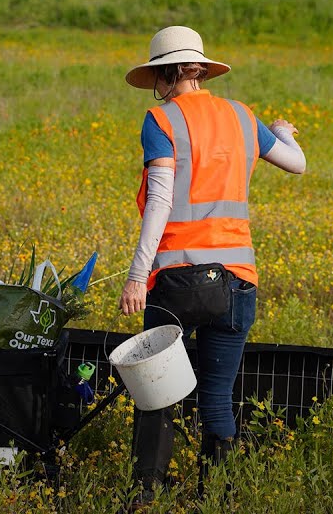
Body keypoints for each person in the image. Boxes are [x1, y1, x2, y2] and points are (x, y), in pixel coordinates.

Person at [119, 25, 306, 500]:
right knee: (217, 397)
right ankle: (217, 496)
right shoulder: (242, 116)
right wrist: (282, 133)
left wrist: (137, 275)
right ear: (201, 70)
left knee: (156, 391)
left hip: (178, 281)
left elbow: (159, 201)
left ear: (165, 74)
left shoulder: (161, 120)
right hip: (239, 280)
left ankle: (146, 496)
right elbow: (297, 163)